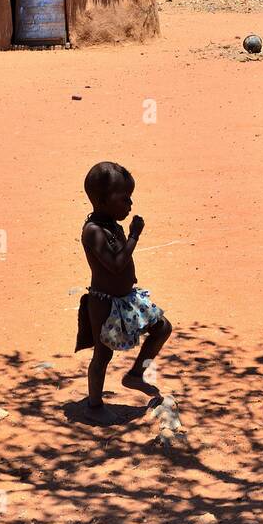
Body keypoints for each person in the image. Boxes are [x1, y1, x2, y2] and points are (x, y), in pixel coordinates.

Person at [75, 161, 172, 417]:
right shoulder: (94, 231)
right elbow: (116, 265)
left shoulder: (111, 225)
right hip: (104, 303)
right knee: (102, 355)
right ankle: (94, 405)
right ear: (103, 200)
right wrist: (134, 236)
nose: (130, 204)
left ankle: (135, 375)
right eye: (124, 198)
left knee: (162, 327)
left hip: (127, 300)